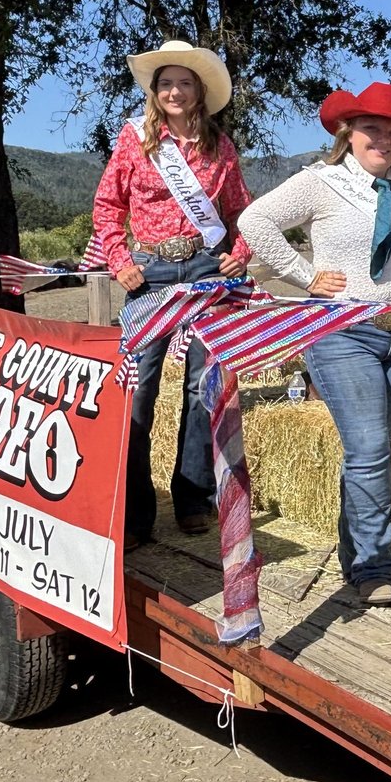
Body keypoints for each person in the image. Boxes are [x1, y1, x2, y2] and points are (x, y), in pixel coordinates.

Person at [239, 81, 391, 606]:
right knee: (369, 448)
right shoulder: (323, 182)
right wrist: (303, 274)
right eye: (372, 129)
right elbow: (254, 221)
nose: (384, 139)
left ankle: (356, 556)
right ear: (348, 134)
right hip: (341, 330)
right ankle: (375, 567)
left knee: (368, 450)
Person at [92, 40, 254, 552]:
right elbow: (106, 206)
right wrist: (119, 261)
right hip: (151, 271)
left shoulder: (219, 146)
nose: (175, 91)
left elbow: (241, 213)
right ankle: (136, 512)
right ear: (155, 92)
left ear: (199, 90)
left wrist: (240, 252)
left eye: (184, 82)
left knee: (201, 387)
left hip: (208, 271)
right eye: (166, 83)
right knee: (136, 390)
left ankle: (192, 499)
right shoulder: (136, 140)